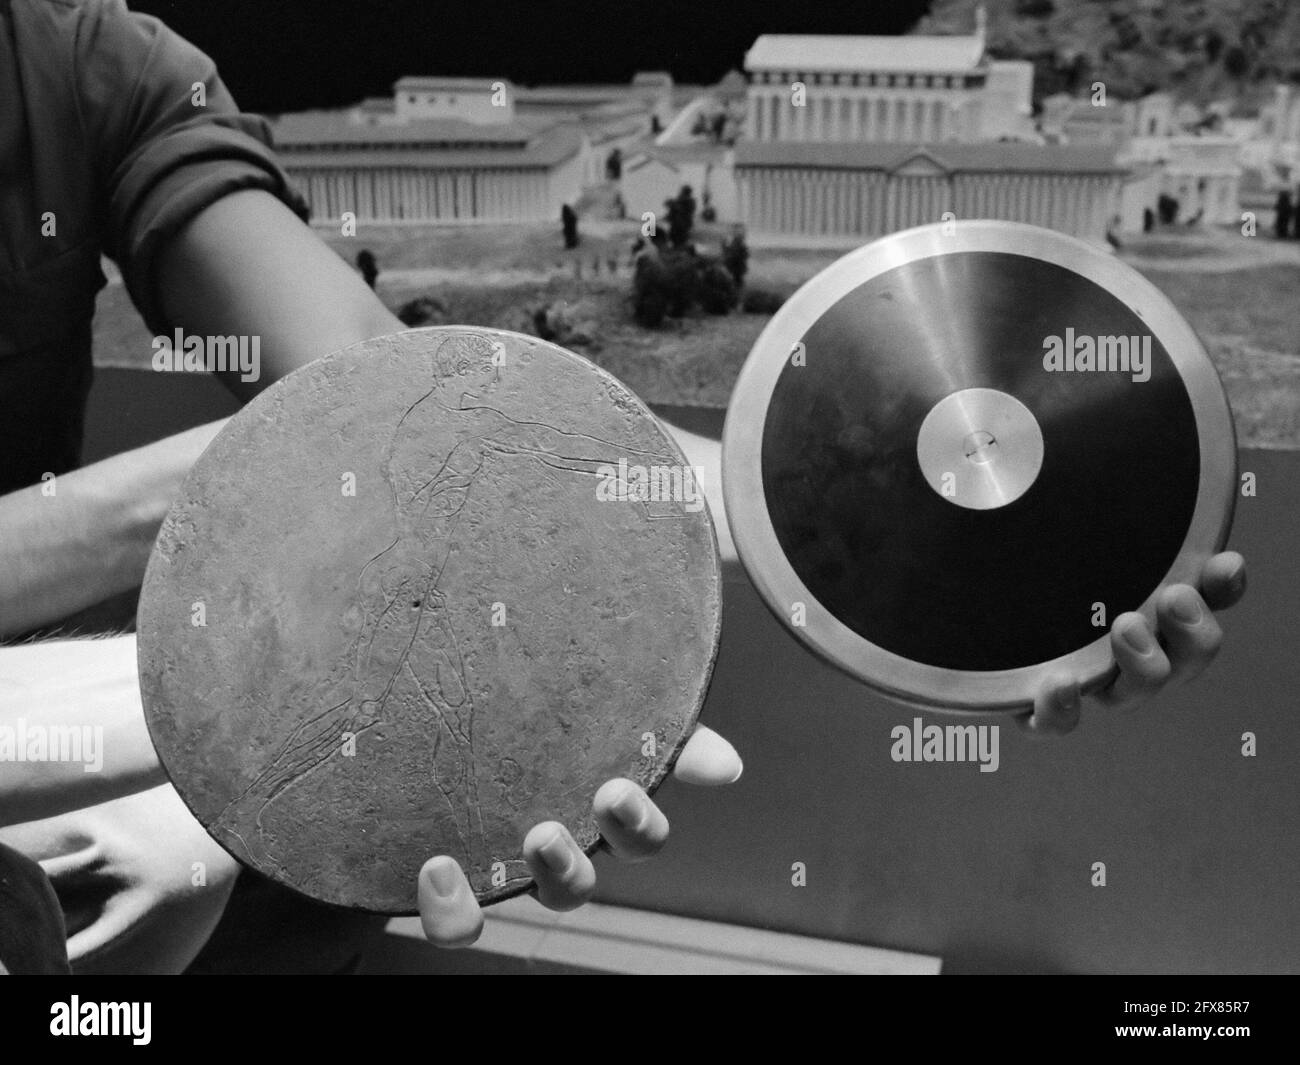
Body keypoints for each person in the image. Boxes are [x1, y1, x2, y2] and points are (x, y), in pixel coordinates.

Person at [0, 0, 1246, 973]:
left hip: (57, 708)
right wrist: (182, 500)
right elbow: (368, 440)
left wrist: (920, 597)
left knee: (249, 803)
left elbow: (394, 394)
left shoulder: (93, 64)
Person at [0, 0, 741, 973]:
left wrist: (754, 507)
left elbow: (363, 373)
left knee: (207, 840)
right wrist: (194, 492)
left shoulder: (85, 61)